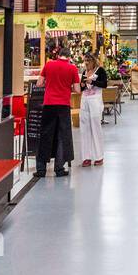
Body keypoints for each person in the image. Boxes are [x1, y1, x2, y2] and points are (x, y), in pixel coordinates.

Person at [36, 44, 80, 179]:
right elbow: (77, 90)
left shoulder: (48, 65)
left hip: (49, 104)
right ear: (69, 57)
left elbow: (39, 83)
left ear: (58, 54)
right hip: (63, 105)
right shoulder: (72, 68)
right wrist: (68, 87)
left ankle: (41, 169)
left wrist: (49, 84)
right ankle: (59, 169)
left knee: (45, 135)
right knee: (62, 136)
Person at [79, 53, 107, 167]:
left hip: (95, 100)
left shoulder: (100, 71)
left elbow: (104, 84)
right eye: (85, 61)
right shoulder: (84, 72)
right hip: (84, 99)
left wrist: (93, 82)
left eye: (88, 61)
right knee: (84, 127)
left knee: (95, 127)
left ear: (93, 61)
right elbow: (82, 87)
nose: (86, 63)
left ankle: (99, 156)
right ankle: (86, 157)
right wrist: (82, 85)